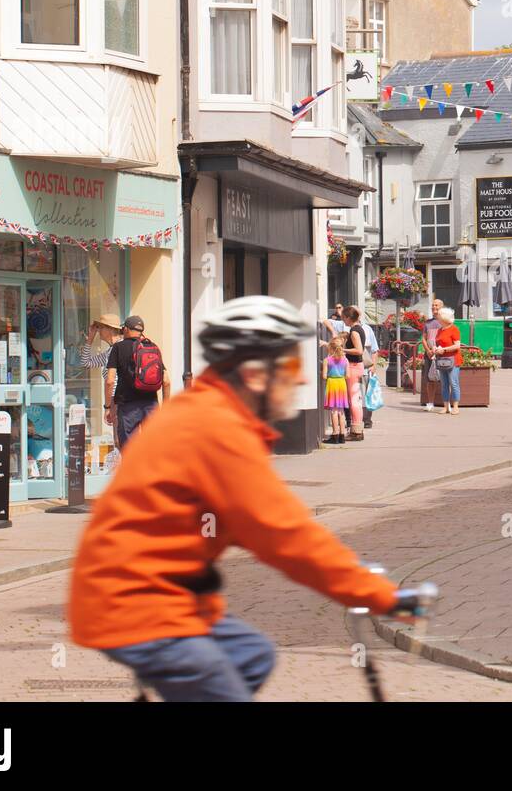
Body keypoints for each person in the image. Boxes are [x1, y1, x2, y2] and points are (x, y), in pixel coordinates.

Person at [68, 296, 432, 701]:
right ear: (256, 373)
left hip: (167, 596)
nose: (298, 380)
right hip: (132, 604)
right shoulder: (217, 433)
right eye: (291, 367)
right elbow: (287, 537)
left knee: (252, 655)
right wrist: (376, 593)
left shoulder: (209, 415)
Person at [105, 315, 170, 450]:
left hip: (128, 407)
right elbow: (166, 381)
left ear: (126, 330)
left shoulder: (118, 348)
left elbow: (110, 381)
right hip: (151, 405)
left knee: (130, 451)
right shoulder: (152, 347)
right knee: (154, 449)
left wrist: (107, 407)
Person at [340, 306, 367, 441]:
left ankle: (356, 431)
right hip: (357, 366)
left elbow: (359, 350)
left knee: (353, 399)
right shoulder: (359, 328)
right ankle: (357, 429)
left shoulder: (354, 331)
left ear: (348, 318)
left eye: (343, 317)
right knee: (355, 398)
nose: (343, 320)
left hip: (353, 366)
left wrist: (343, 350)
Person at [433, 307, 463, 416]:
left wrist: (444, 349)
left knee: (453, 382)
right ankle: (446, 407)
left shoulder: (454, 329)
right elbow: (438, 343)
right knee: (444, 384)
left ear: (444, 317)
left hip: (453, 360)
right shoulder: (440, 330)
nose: (437, 317)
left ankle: (455, 407)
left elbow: (457, 346)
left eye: (439, 315)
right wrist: (435, 349)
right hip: (442, 360)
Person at [322, 335, 350, 445]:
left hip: (332, 384)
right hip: (342, 384)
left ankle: (335, 434)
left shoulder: (327, 360)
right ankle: (342, 434)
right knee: (341, 411)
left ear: (330, 348)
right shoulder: (345, 360)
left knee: (333, 411)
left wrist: (329, 374)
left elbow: (324, 376)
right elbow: (348, 375)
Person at [422, 297, 444, 412]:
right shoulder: (427, 323)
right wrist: (428, 351)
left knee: (445, 379)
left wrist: (439, 350)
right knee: (430, 379)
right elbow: (424, 339)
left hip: (442, 354)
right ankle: (430, 403)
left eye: (436, 305)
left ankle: (447, 404)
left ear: (441, 307)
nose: (434, 307)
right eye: (433, 305)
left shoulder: (444, 322)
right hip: (430, 355)